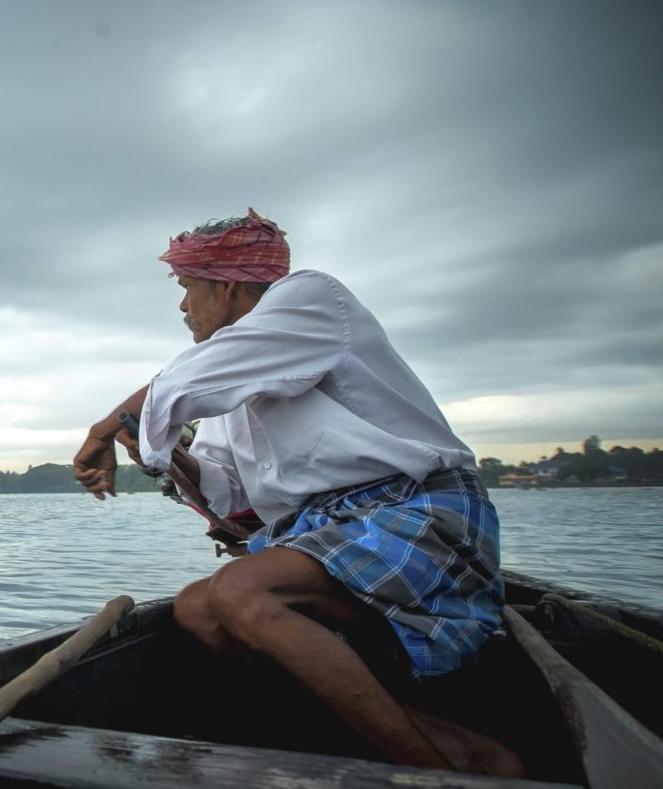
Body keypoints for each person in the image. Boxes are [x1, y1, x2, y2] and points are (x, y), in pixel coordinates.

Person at [72, 209, 518, 776]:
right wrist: (171, 456)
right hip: (327, 533)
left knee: (240, 590)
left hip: (415, 510)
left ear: (226, 286)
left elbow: (188, 379)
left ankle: (428, 772)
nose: (183, 306)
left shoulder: (311, 299)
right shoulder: (232, 387)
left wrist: (102, 430)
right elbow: (227, 490)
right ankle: (457, 745)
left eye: (187, 288)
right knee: (197, 610)